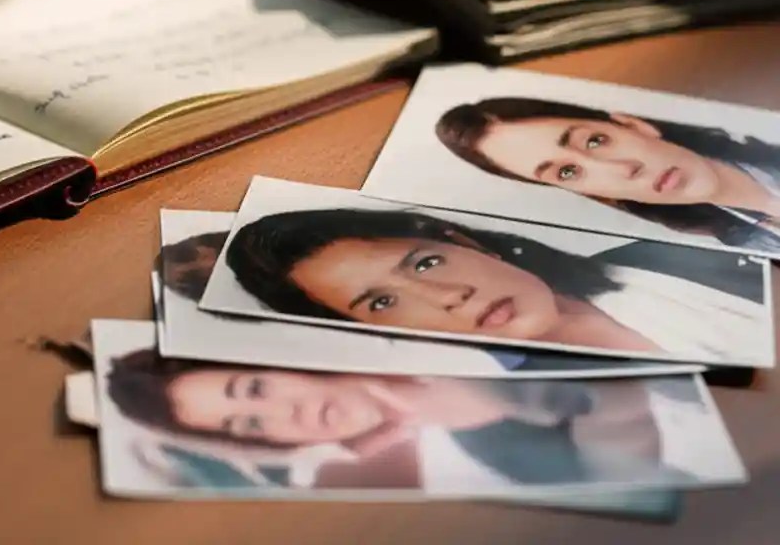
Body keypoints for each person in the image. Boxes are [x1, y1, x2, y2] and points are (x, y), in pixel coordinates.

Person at [224, 208, 767, 363]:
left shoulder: (664, 259)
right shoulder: (519, 424)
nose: (447, 297)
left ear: (464, 240)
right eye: (382, 302)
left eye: (425, 264)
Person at [106, 347, 694, 487]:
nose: (286, 412)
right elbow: (647, 486)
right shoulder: (498, 459)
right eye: (252, 425)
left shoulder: (461, 332)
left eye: (254, 386)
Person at [435, 96, 780, 251]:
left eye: (596, 140)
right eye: (568, 172)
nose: (624, 170)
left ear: (634, 125)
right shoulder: (741, 243)